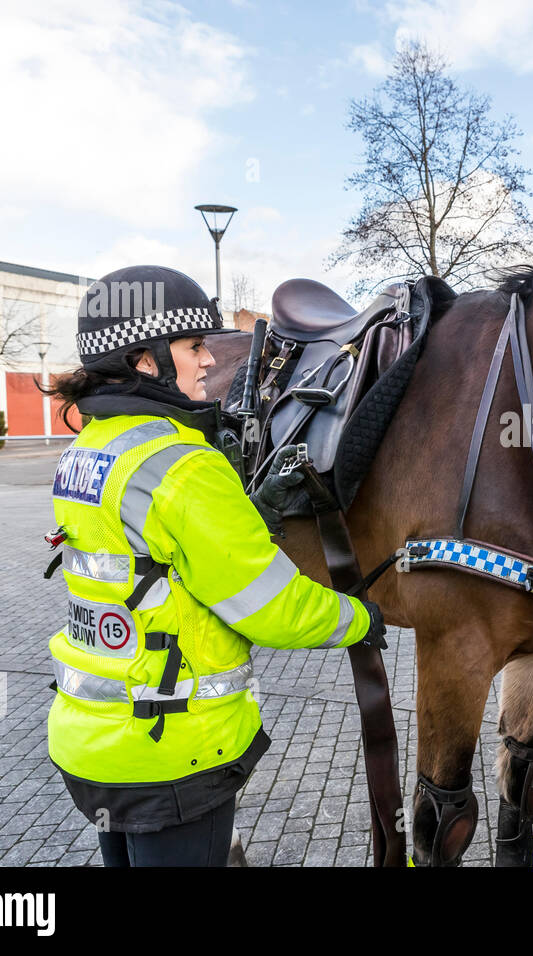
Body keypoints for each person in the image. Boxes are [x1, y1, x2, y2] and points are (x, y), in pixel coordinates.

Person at [42, 264, 385, 867]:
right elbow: (274, 609)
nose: (208, 360)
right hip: (173, 751)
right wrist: (359, 618)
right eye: (194, 345)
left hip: (94, 741)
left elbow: (149, 555)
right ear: (146, 361)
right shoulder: (185, 467)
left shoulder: (87, 451)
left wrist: (232, 522)